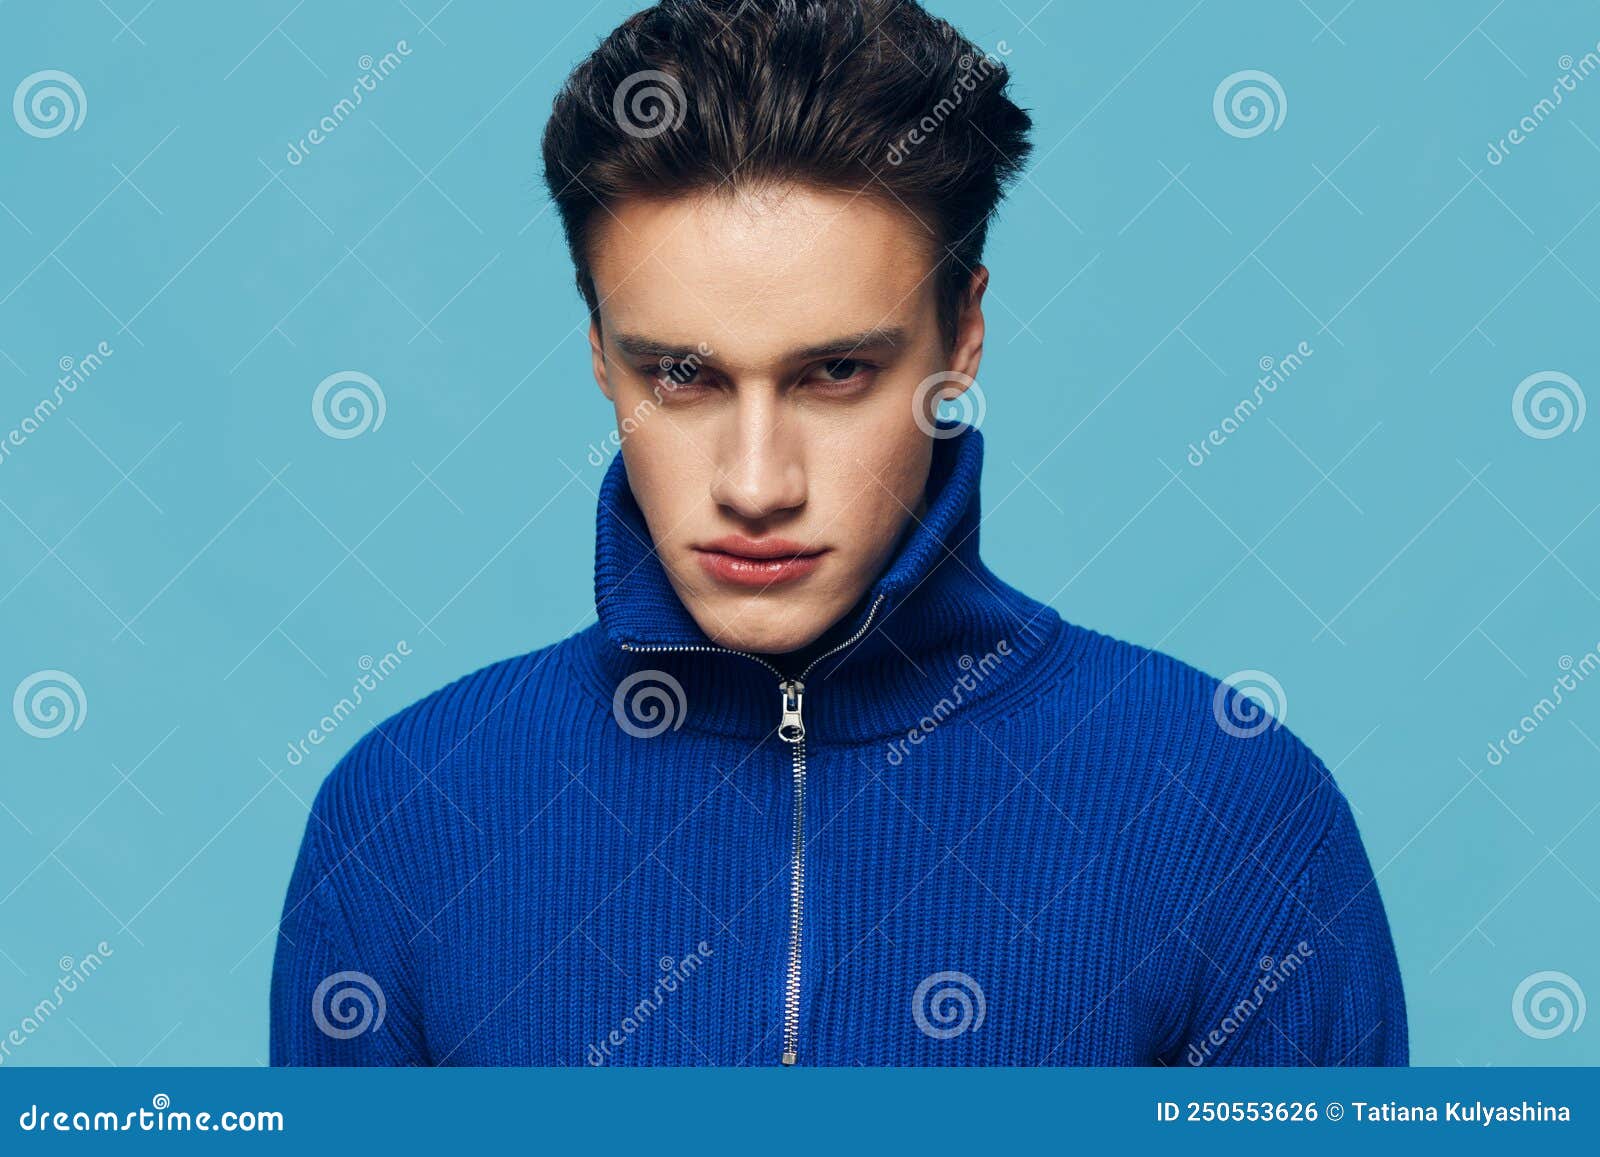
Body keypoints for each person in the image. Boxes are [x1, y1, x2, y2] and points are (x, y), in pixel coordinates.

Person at [271, 0, 1406, 1066]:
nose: (756, 484)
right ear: (596, 350)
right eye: (680, 374)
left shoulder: (1232, 809)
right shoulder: (408, 812)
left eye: (836, 372)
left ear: (961, 336)